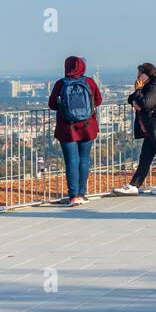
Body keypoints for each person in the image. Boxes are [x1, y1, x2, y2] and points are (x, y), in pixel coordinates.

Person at [112, 62, 156, 196]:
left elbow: (146, 104)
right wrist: (138, 97)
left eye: (139, 74)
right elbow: (131, 99)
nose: (137, 77)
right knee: (145, 158)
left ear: (147, 74)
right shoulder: (147, 87)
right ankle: (134, 185)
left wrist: (138, 94)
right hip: (151, 129)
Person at [48, 55, 103, 206]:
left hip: (67, 127)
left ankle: (73, 196)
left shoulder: (61, 84)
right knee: (84, 159)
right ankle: (82, 193)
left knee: (71, 161)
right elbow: (98, 100)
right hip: (87, 126)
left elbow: (52, 104)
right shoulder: (89, 82)